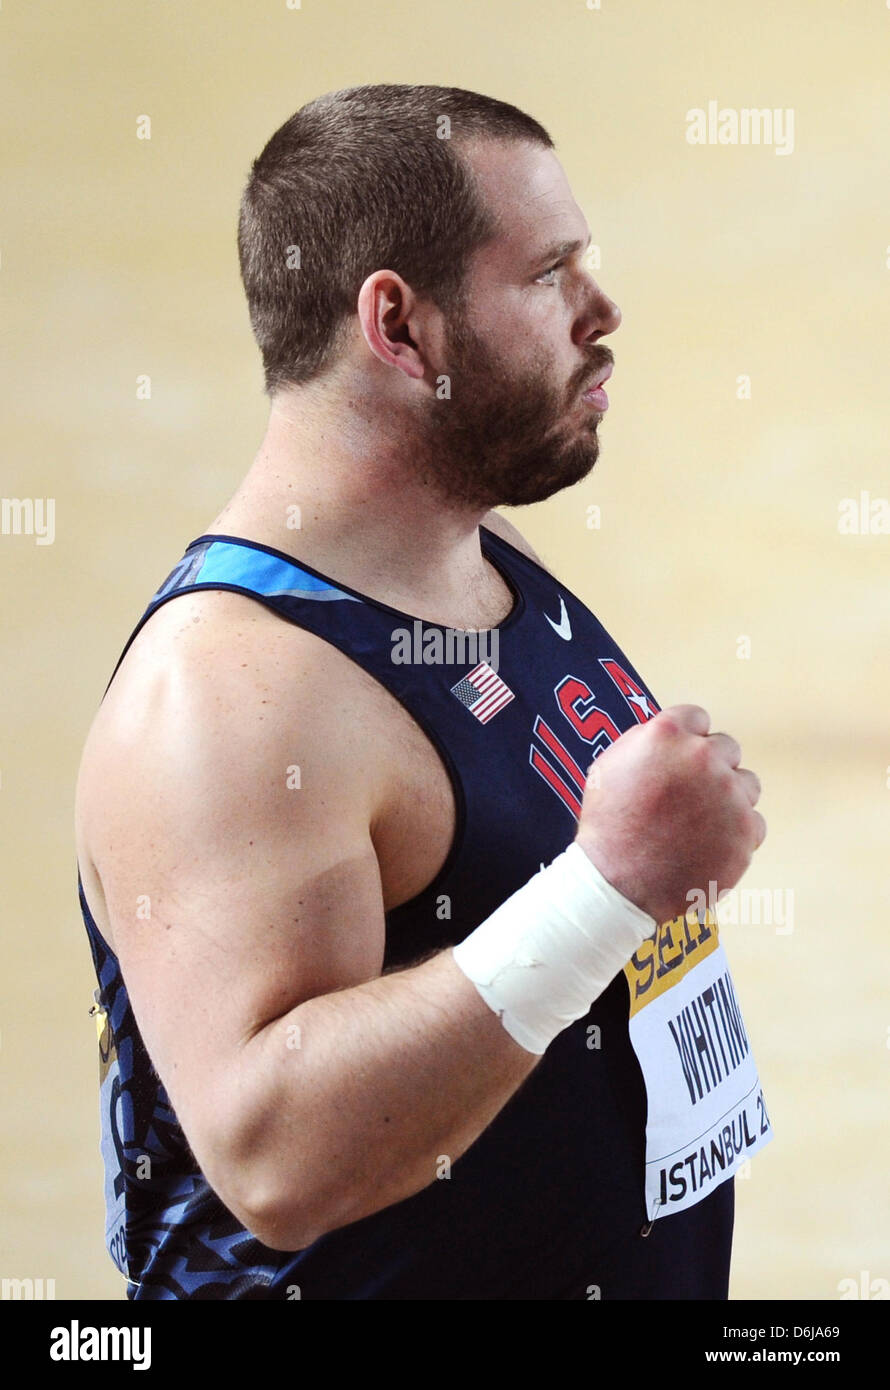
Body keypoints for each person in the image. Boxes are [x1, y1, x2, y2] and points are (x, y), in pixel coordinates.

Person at [74, 83, 771, 1300]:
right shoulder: (230, 695)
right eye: (550, 273)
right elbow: (270, 1155)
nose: (602, 313)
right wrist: (610, 888)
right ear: (398, 327)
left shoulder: (484, 561)